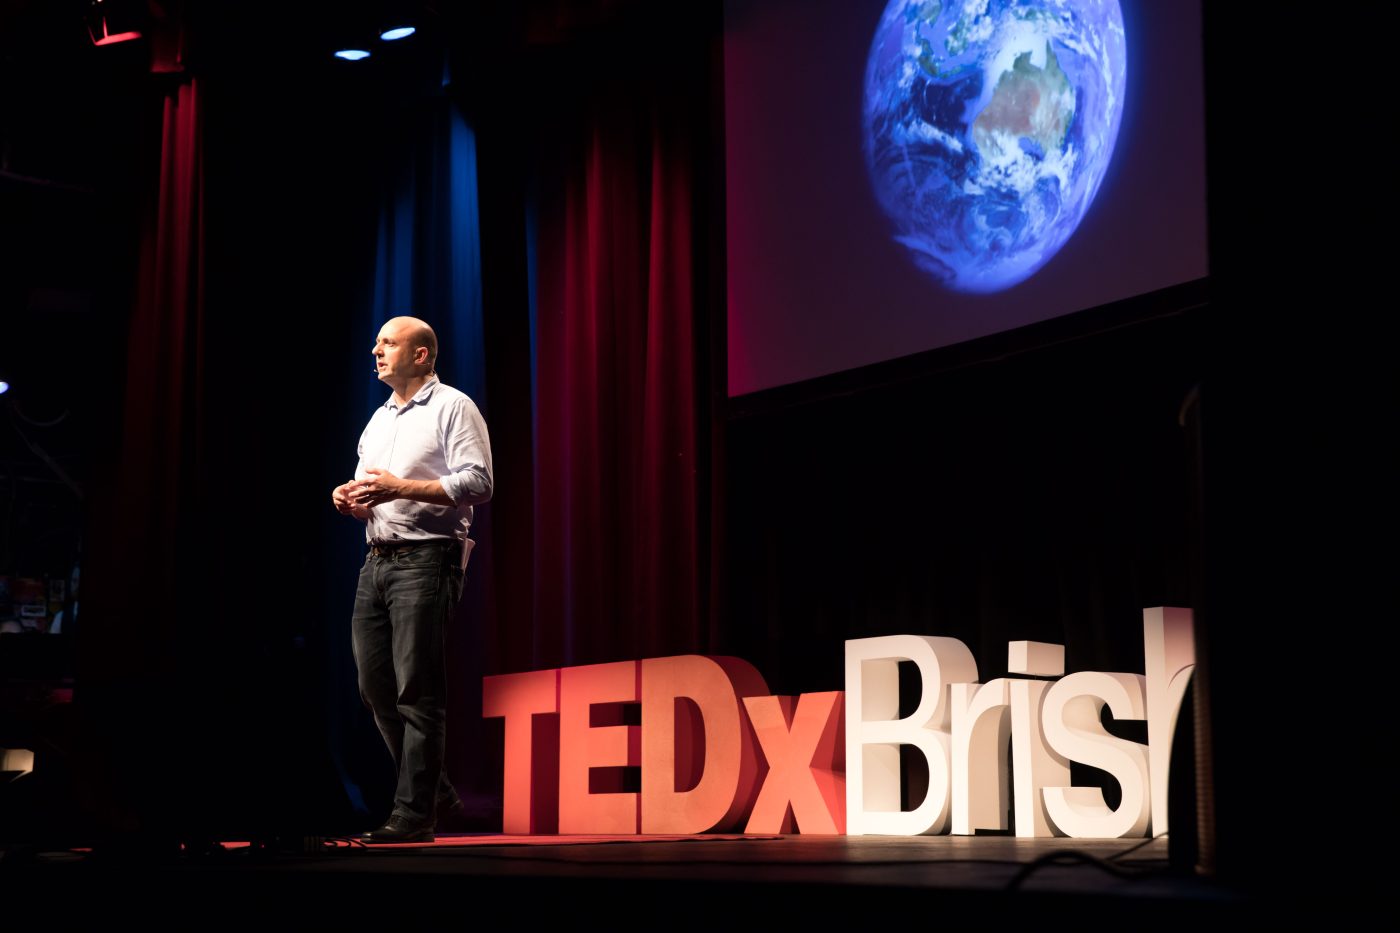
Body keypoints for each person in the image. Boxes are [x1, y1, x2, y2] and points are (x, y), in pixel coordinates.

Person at [331, 316, 493, 843]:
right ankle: (434, 788)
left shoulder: (453, 407)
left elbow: (479, 482)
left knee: (416, 690)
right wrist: (350, 500)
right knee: (374, 687)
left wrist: (400, 487)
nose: (375, 351)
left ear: (420, 354)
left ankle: (415, 815)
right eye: (376, 343)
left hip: (428, 559)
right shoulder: (378, 420)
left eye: (388, 343)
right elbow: (373, 496)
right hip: (376, 560)